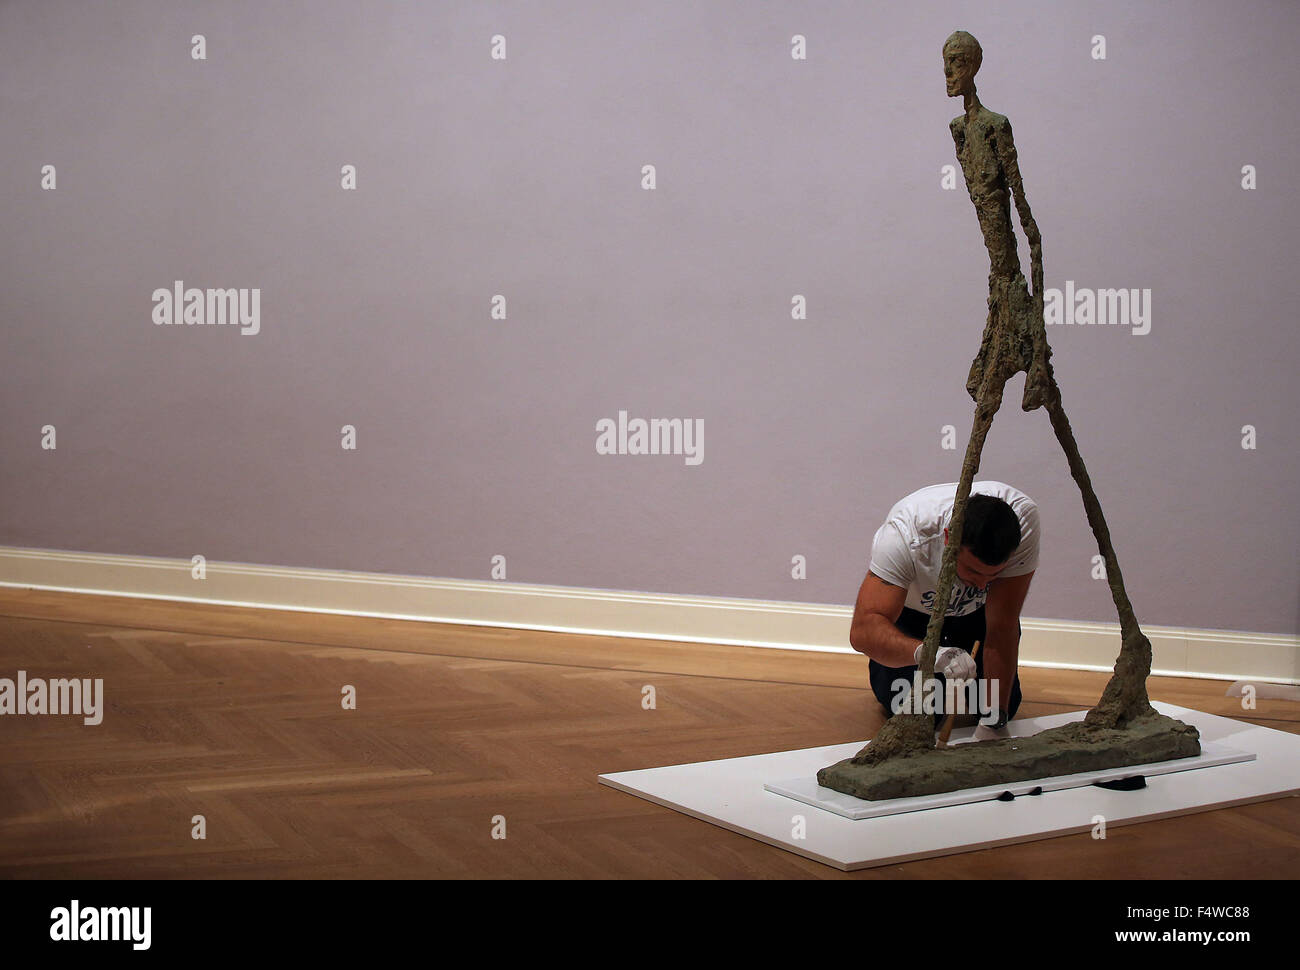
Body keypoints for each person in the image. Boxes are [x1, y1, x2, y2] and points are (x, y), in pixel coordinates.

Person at [848, 481, 1038, 740]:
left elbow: (1002, 625)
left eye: (994, 575)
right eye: (973, 571)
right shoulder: (906, 534)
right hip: (914, 617)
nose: (983, 584)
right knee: (920, 711)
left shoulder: (1024, 522)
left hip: (976, 616)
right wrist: (928, 654)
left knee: (1002, 706)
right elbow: (863, 631)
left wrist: (995, 720)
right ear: (949, 539)